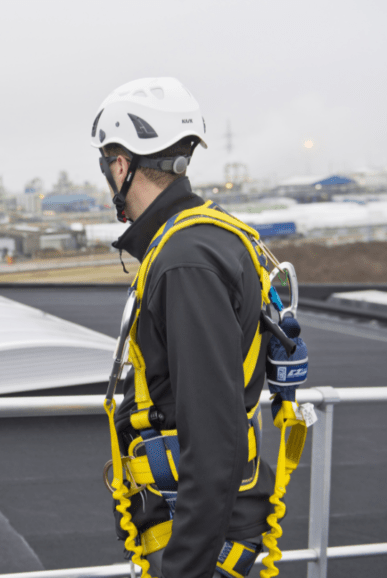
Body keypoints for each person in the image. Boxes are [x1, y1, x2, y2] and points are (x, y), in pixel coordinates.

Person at [91, 78, 278, 578]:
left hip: (194, 538)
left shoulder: (184, 261)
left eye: (107, 163)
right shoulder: (203, 235)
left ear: (122, 164)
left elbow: (214, 438)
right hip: (203, 527)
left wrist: (185, 566)